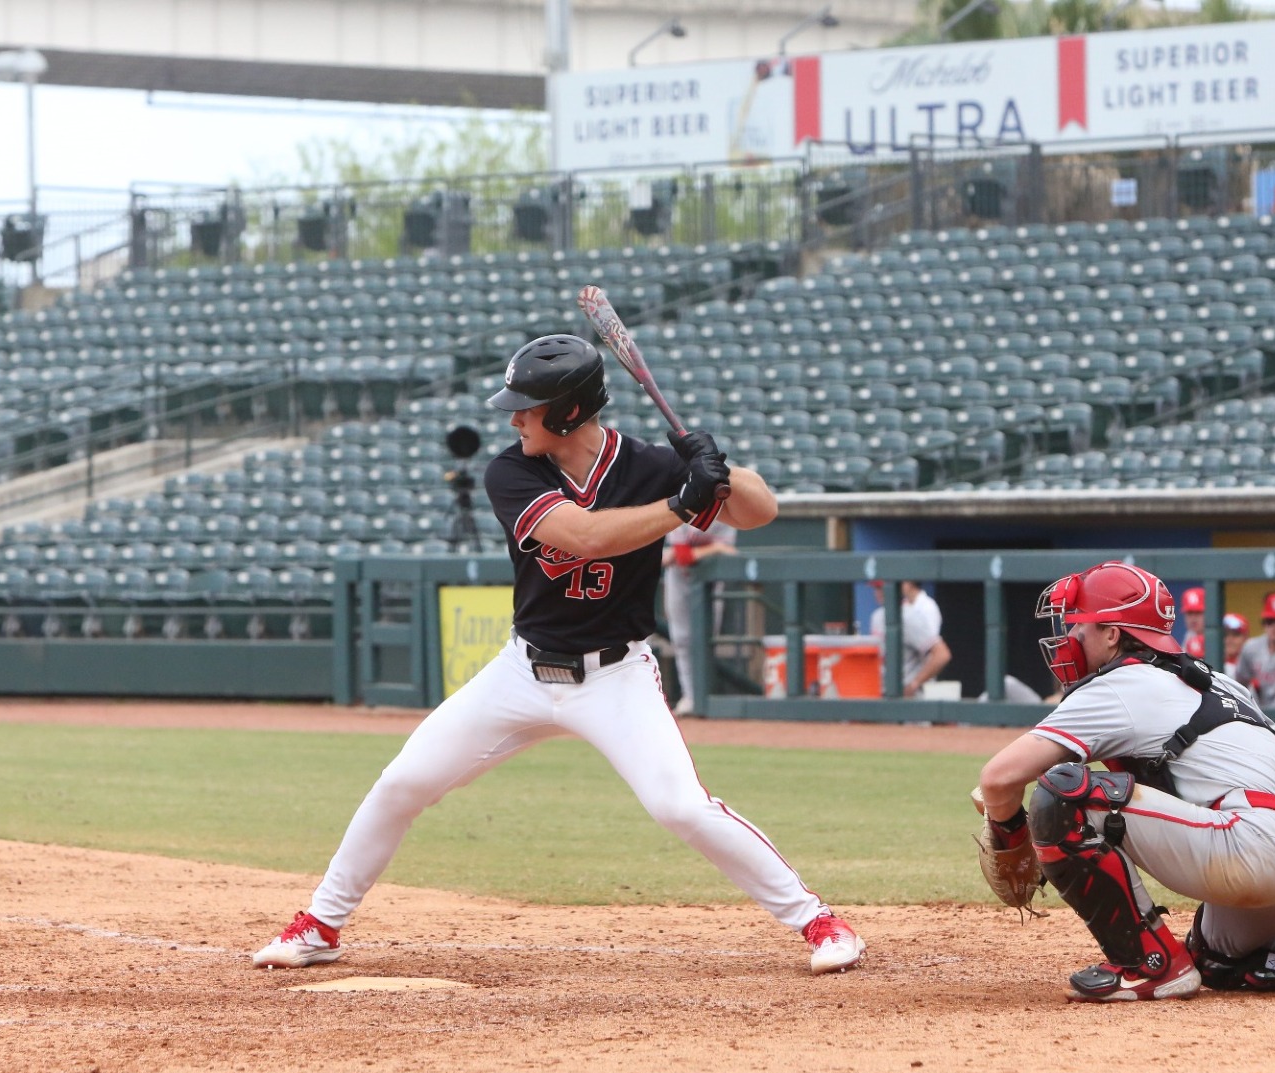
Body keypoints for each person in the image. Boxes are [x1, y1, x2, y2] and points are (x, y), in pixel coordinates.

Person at [251, 334, 865, 976]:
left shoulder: (651, 465)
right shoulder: (513, 469)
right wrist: (682, 501)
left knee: (680, 807)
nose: (515, 418)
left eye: (528, 406)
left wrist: (719, 470)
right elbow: (583, 536)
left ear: (568, 413)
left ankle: (820, 922)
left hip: (615, 676)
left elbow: (759, 511)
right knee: (403, 781)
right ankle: (321, 924)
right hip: (522, 671)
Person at [971, 561, 1275, 1002]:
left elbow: (998, 778)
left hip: (1254, 847)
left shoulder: (1119, 685)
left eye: (1079, 625)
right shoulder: (1218, 681)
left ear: (1112, 634)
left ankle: (1149, 964)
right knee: (1216, 958)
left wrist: (1012, 835)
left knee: (1061, 793)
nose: (1068, 635)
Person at [660, 519, 738, 716]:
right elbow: (683, 556)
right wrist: (714, 548)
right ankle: (690, 697)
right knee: (681, 639)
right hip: (679, 578)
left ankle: (703, 696)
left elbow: (730, 554)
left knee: (707, 639)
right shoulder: (681, 507)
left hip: (711, 579)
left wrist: (689, 554)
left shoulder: (725, 514)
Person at [868, 579, 952, 698]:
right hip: (882, 693)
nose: (878, 592)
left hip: (908, 695)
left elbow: (941, 654)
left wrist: (915, 683)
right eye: (876, 588)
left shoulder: (910, 615)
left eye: (881, 588)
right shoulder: (876, 616)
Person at [1179, 587, 1207, 659]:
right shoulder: (1189, 635)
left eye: (1198, 613)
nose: (1193, 618)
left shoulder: (1223, 638)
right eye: (1189, 613)